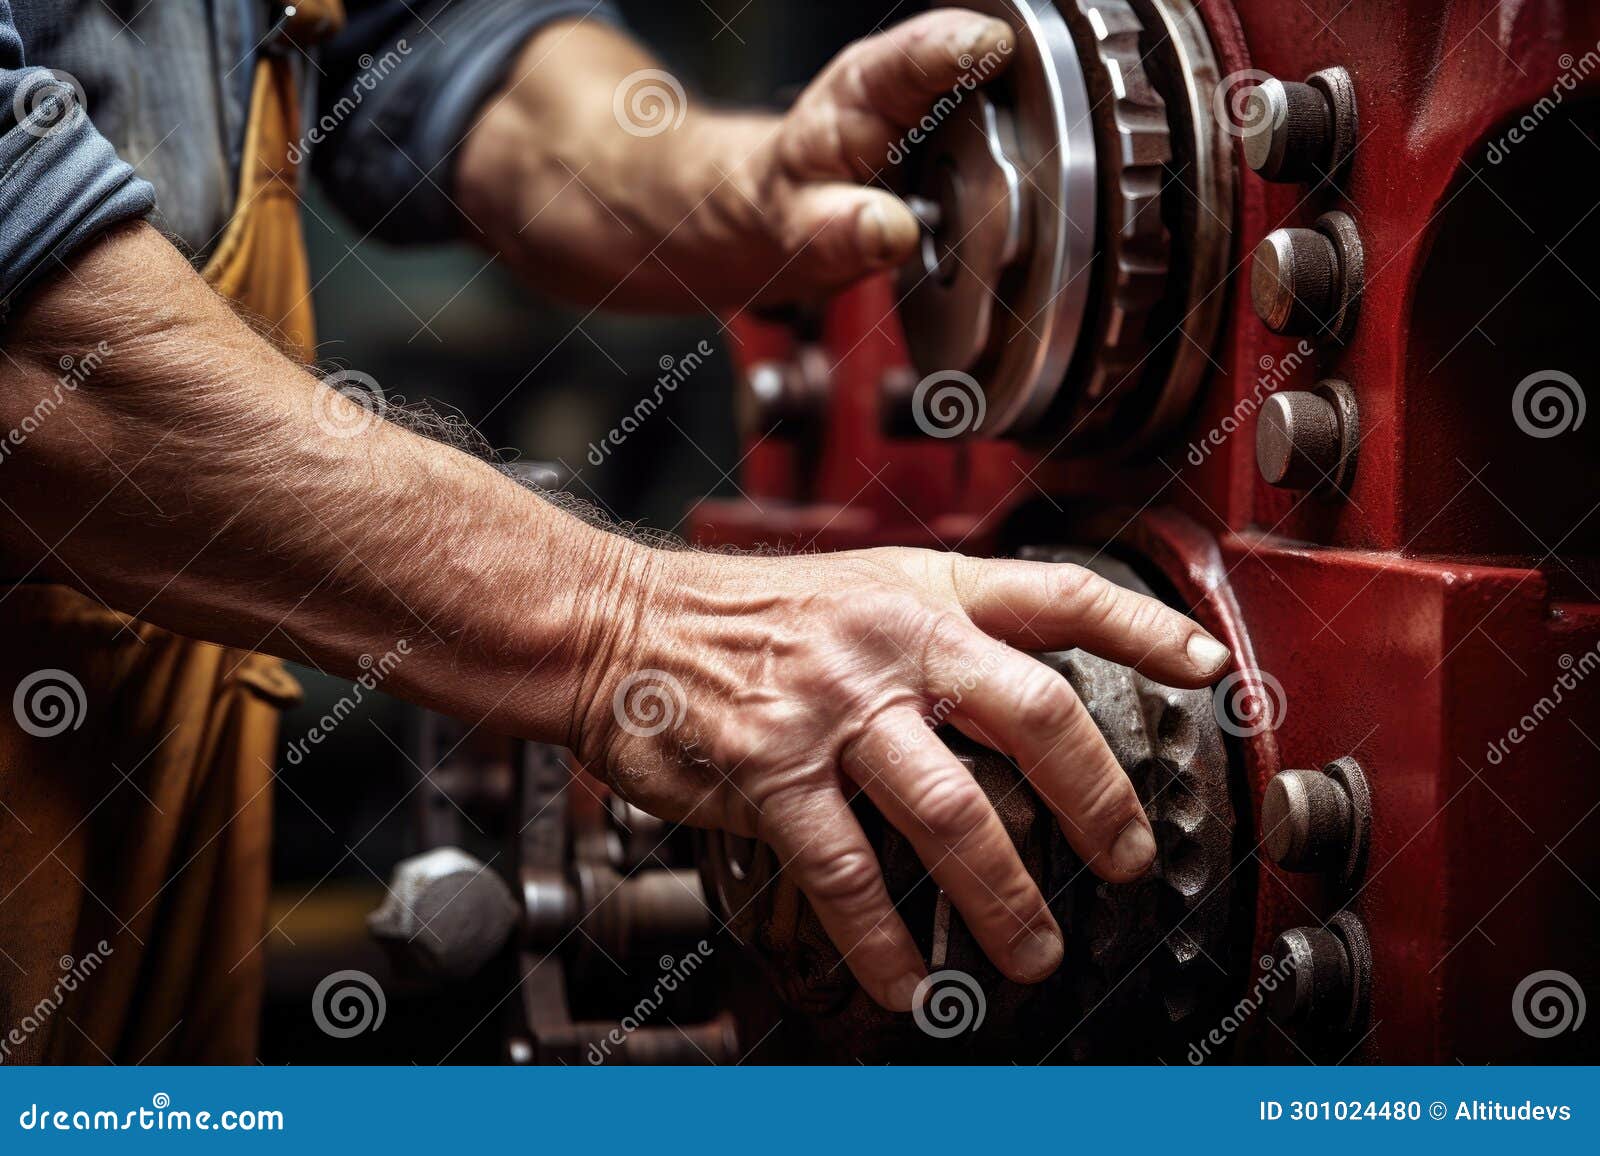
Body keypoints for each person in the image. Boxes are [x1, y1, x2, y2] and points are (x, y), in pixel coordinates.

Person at [0, 1, 1230, 1062]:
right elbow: (32, 346)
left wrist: (719, 178)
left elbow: (431, 36)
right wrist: (625, 627)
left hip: (138, 824)